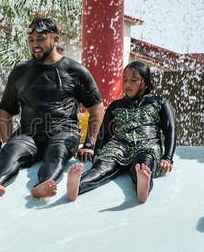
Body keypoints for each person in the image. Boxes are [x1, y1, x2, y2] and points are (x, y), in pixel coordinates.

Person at [0, 17, 104, 200]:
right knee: (11, 151)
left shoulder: (75, 71)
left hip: (63, 132)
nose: (35, 45)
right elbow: (6, 110)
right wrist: (7, 141)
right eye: (31, 40)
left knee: (58, 151)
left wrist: (89, 144)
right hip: (29, 133)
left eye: (40, 39)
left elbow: (97, 108)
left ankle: (44, 185)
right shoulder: (20, 72)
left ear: (55, 40)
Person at [66, 60, 176, 205]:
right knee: (102, 168)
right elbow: (103, 133)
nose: (127, 84)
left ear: (145, 82)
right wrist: (97, 152)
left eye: (134, 80)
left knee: (143, 165)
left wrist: (167, 157)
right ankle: (77, 185)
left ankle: (143, 187)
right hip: (118, 146)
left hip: (146, 146)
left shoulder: (159, 102)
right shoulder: (115, 105)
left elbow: (170, 129)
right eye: (124, 80)